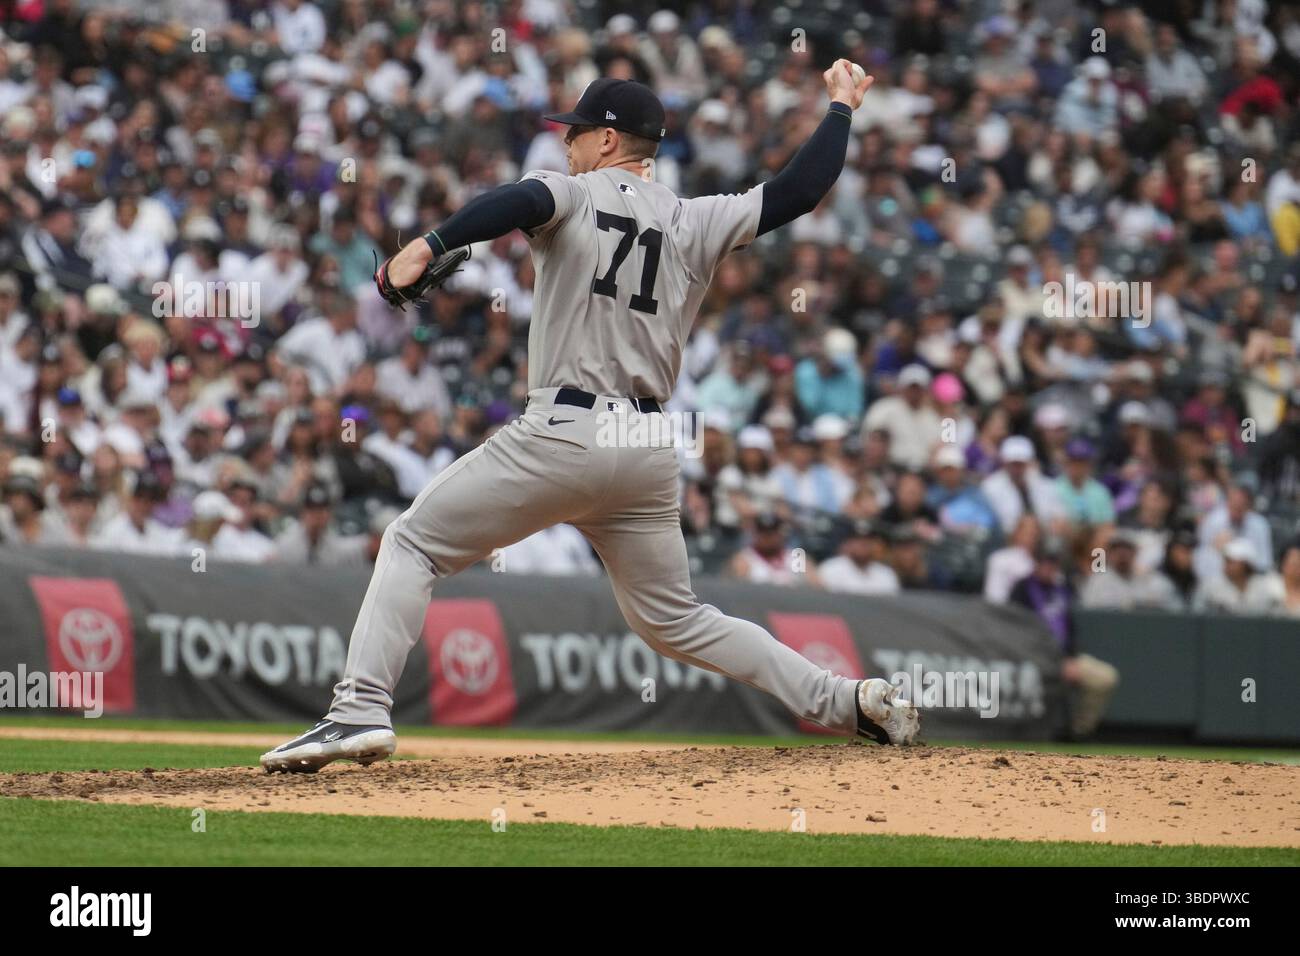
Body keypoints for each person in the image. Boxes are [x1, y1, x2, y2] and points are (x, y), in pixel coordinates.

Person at [262, 67, 920, 772]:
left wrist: (428, 243)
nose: (567, 145)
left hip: (565, 431)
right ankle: (845, 702)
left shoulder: (572, 192)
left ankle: (359, 708)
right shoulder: (694, 218)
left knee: (412, 544)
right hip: (642, 443)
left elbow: (518, 199)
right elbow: (799, 190)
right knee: (678, 619)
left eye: (575, 133)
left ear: (607, 139)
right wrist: (842, 108)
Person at [1008, 539, 1118, 738]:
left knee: (1106, 677)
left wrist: (1070, 658)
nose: (1049, 567)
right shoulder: (1022, 589)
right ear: (1036, 563)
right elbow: (1014, 630)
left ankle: (1078, 732)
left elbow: (1070, 631)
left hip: (1064, 658)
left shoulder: (1063, 589)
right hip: (1030, 658)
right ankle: (1021, 734)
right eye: (1045, 562)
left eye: (1053, 563)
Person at [819, 519, 900, 595]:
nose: (863, 544)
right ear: (848, 543)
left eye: (868, 540)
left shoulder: (886, 574)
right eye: (857, 539)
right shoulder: (831, 569)